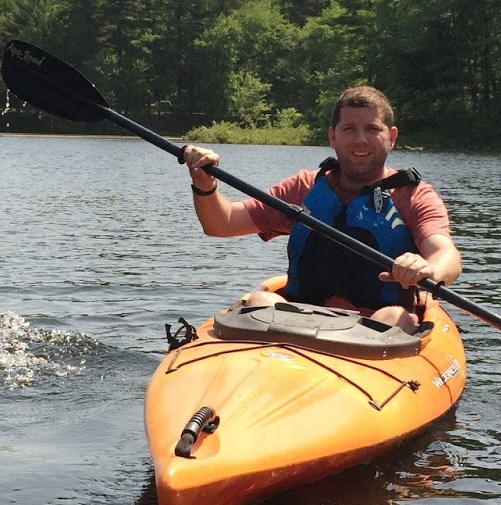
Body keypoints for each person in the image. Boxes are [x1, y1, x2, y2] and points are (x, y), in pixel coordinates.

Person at [180, 85, 462, 332]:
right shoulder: (304, 187)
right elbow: (223, 223)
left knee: (393, 316)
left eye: (373, 129)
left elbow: (446, 254)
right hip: (300, 320)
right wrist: (205, 183)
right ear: (332, 136)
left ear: (392, 137)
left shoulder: (413, 195)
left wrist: (428, 268)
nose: (360, 139)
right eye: (349, 129)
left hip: (380, 327)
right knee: (261, 301)